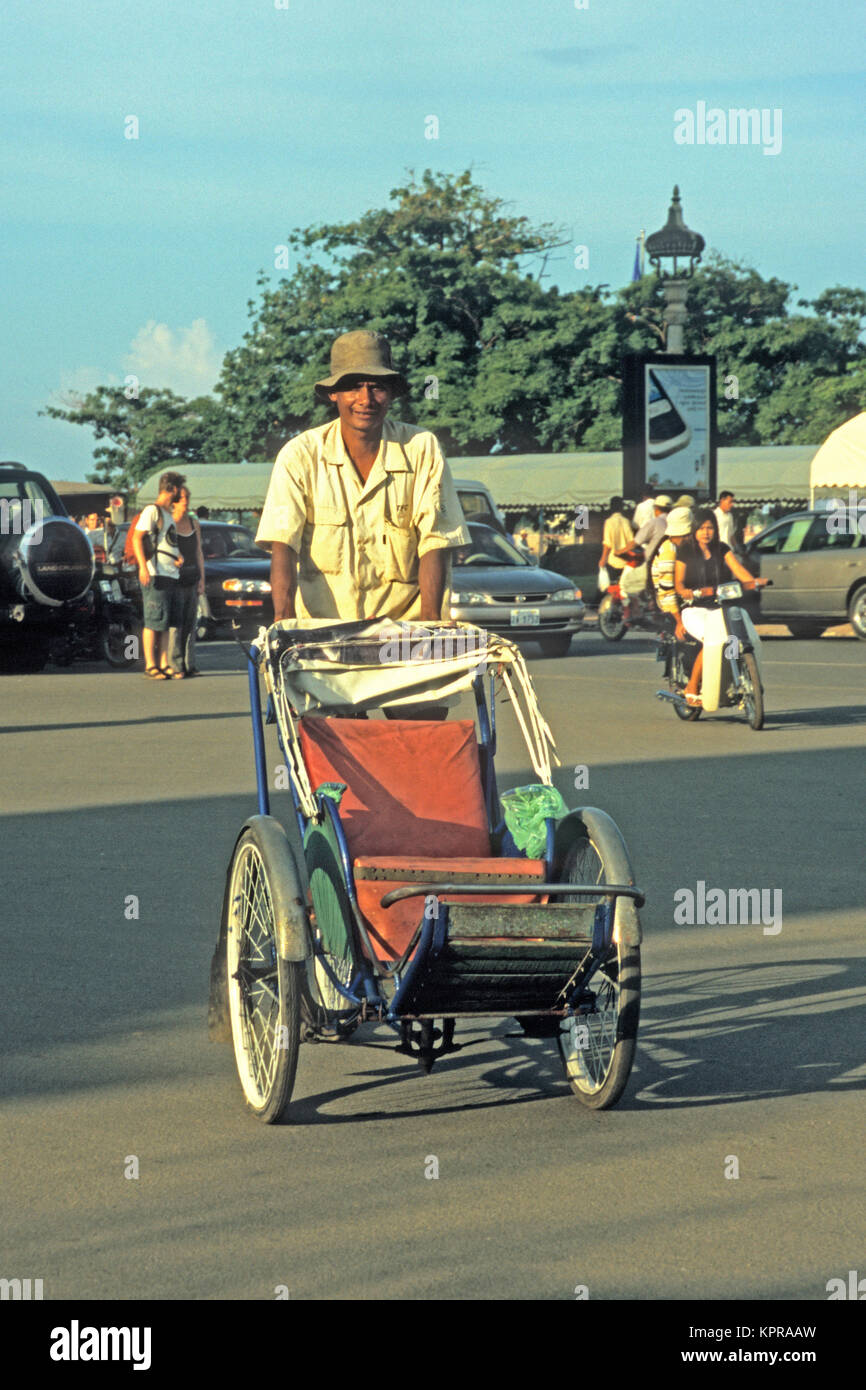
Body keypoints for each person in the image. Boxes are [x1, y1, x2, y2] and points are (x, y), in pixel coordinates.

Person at [256, 329, 470, 625]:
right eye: (354, 387)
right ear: (334, 394)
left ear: (392, 393)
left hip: (402, 630)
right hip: (324, 632)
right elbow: (283, 544)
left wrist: (430, 628)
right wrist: (284, 625)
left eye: (377, 387)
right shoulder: (300, 455)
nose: (366, 399)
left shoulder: (421, 448)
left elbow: (435, 542)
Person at [675, 508, 768, 706]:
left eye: (710, 528)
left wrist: (754, 582)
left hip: (721, 607)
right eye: (701, 528)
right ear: (694, 530)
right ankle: (692, 685)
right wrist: (688, 592)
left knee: (737, 638)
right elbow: (679, 583)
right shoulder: (686, 550)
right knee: (711, 640)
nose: (706, 532)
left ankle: (739, 678)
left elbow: (739, 571)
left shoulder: (723, 548)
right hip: (695, 609)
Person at [132, 471, 185, 678]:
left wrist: (178, 556)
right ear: (171, 489)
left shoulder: (168, 515)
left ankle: (164, 663)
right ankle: (150, 665)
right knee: (153, 621)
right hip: (155, 573)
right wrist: (143, 567)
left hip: (171, 573)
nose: (180, 495)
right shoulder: (151, 511)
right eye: (178, 490)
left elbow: (168, 543)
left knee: (166, 622)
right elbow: (138, 538)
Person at [168, 485, 205, 677]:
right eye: (183, 499)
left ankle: (190, 664)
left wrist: (202, 579)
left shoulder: (193, 522)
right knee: (177, 623)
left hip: (192, 576)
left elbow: (199, 551)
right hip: (175, 579)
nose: (186, 502)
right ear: (175, 502)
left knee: (191, 623)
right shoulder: (169, 523)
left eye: (188, 498)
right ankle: (175, 665)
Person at [620, 494, 672, 617]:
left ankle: (637, 611)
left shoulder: (654, 522)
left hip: (653, 564)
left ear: (656, 509)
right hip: (672, 562)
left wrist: (620, 551)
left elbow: (635, 542)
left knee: (627, 584)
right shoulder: (674, 522)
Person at [651, 505, 693, 635]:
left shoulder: (683, 548)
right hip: (672, 604)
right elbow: (667, 591)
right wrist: (680, 621)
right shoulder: (669, 552)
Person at [599, 496, 634, 589]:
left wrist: (603, 559)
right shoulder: (627, 521)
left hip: (613, 561)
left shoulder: (609, 522)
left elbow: (607, 544)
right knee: (625, 588)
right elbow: (631, 542)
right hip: (626, 561)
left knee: (613, 589)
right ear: (621, 507)